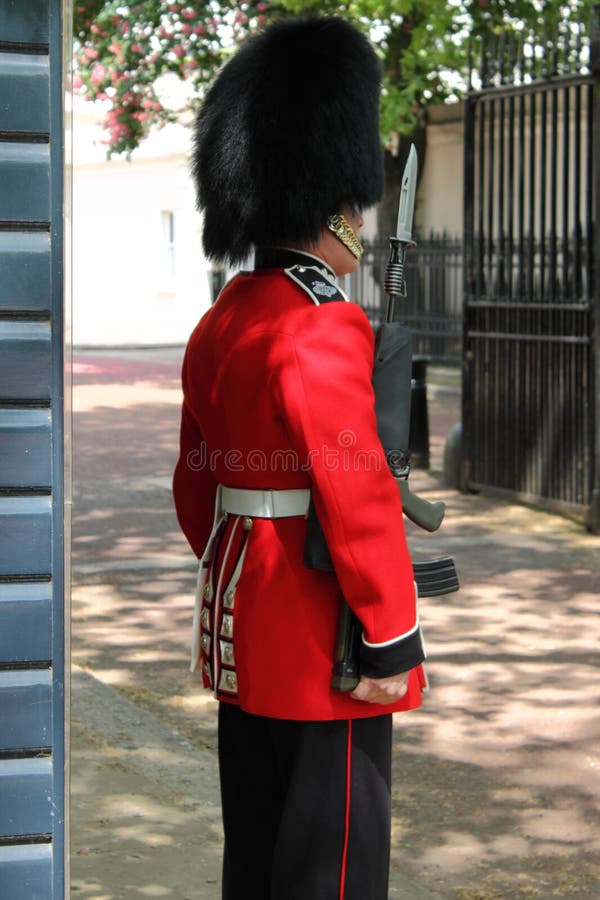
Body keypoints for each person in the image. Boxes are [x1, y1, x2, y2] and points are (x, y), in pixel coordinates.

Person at [173, 16, 426, 900]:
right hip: (324, 639)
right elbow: (356, 498)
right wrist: (391, 634)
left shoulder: (225, 319)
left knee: (258, 857)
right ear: (337, 211)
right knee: (334, 874)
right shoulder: (320, 325)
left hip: (242, 625)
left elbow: (196, 491)